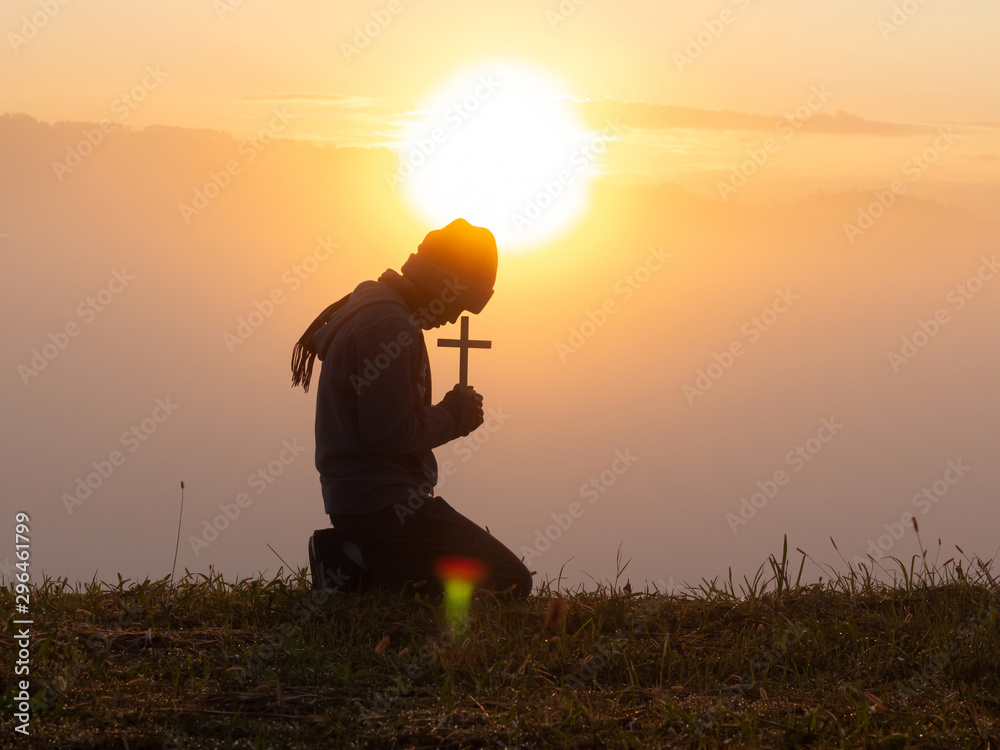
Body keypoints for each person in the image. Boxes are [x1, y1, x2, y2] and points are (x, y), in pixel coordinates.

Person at [291, 218, 532, 598]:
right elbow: (386, 433)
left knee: (486, 577)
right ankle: (350, 559)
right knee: (510, 580)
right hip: (382, 505)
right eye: (460, 302)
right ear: (442, 283)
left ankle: (357, 560)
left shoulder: (380, 313)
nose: (454, 317)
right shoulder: (389, 325)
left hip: (363, 502)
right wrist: (453, 415)